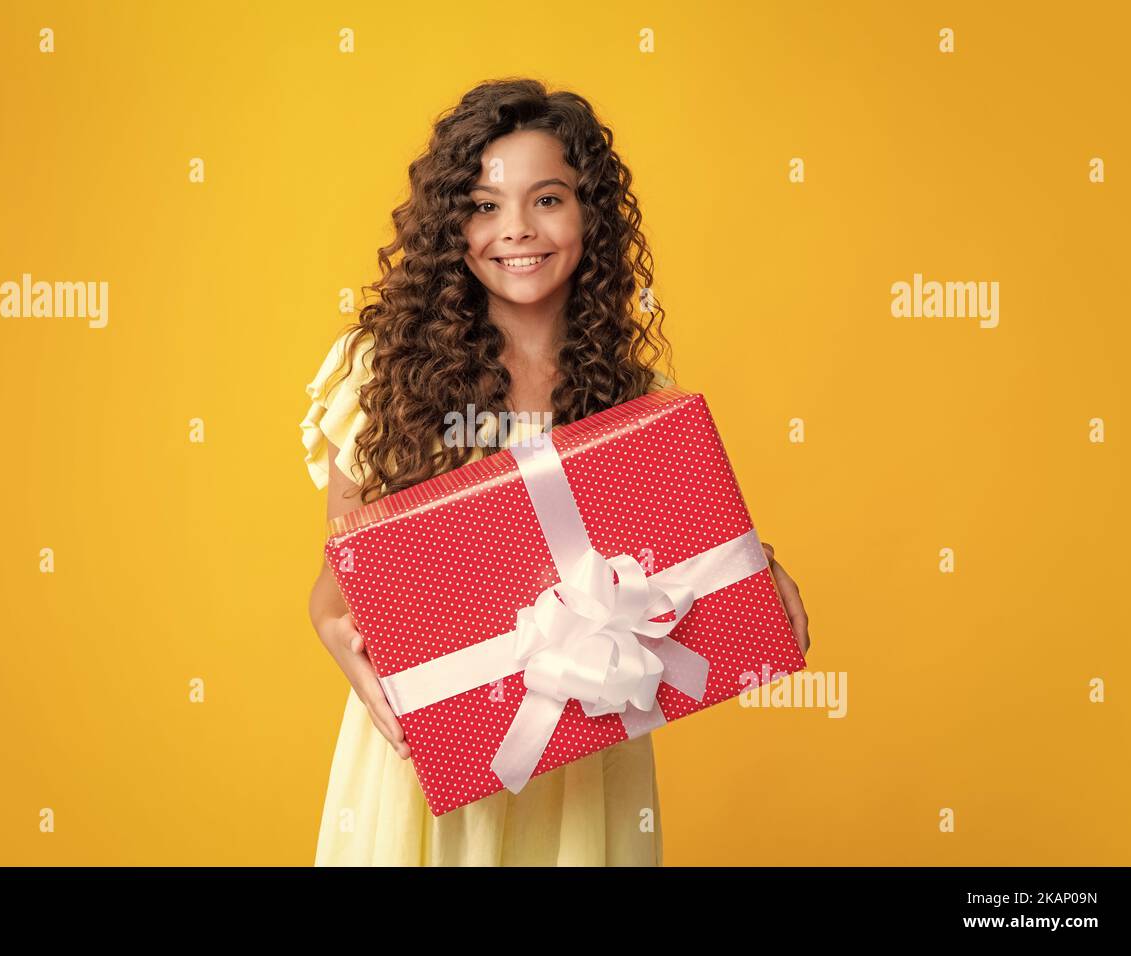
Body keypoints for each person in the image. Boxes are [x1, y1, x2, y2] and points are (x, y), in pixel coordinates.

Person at [301, 78, 811, 866]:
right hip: (434, 766)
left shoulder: (630, 395)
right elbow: (338, 587)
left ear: (589, 215)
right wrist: (339, 632)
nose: (516, 230)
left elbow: (678, 574)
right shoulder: (380, 373)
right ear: (451, 225)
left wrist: (756, 568)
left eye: (547, 199)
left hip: (589, 760)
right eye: (483, 204)